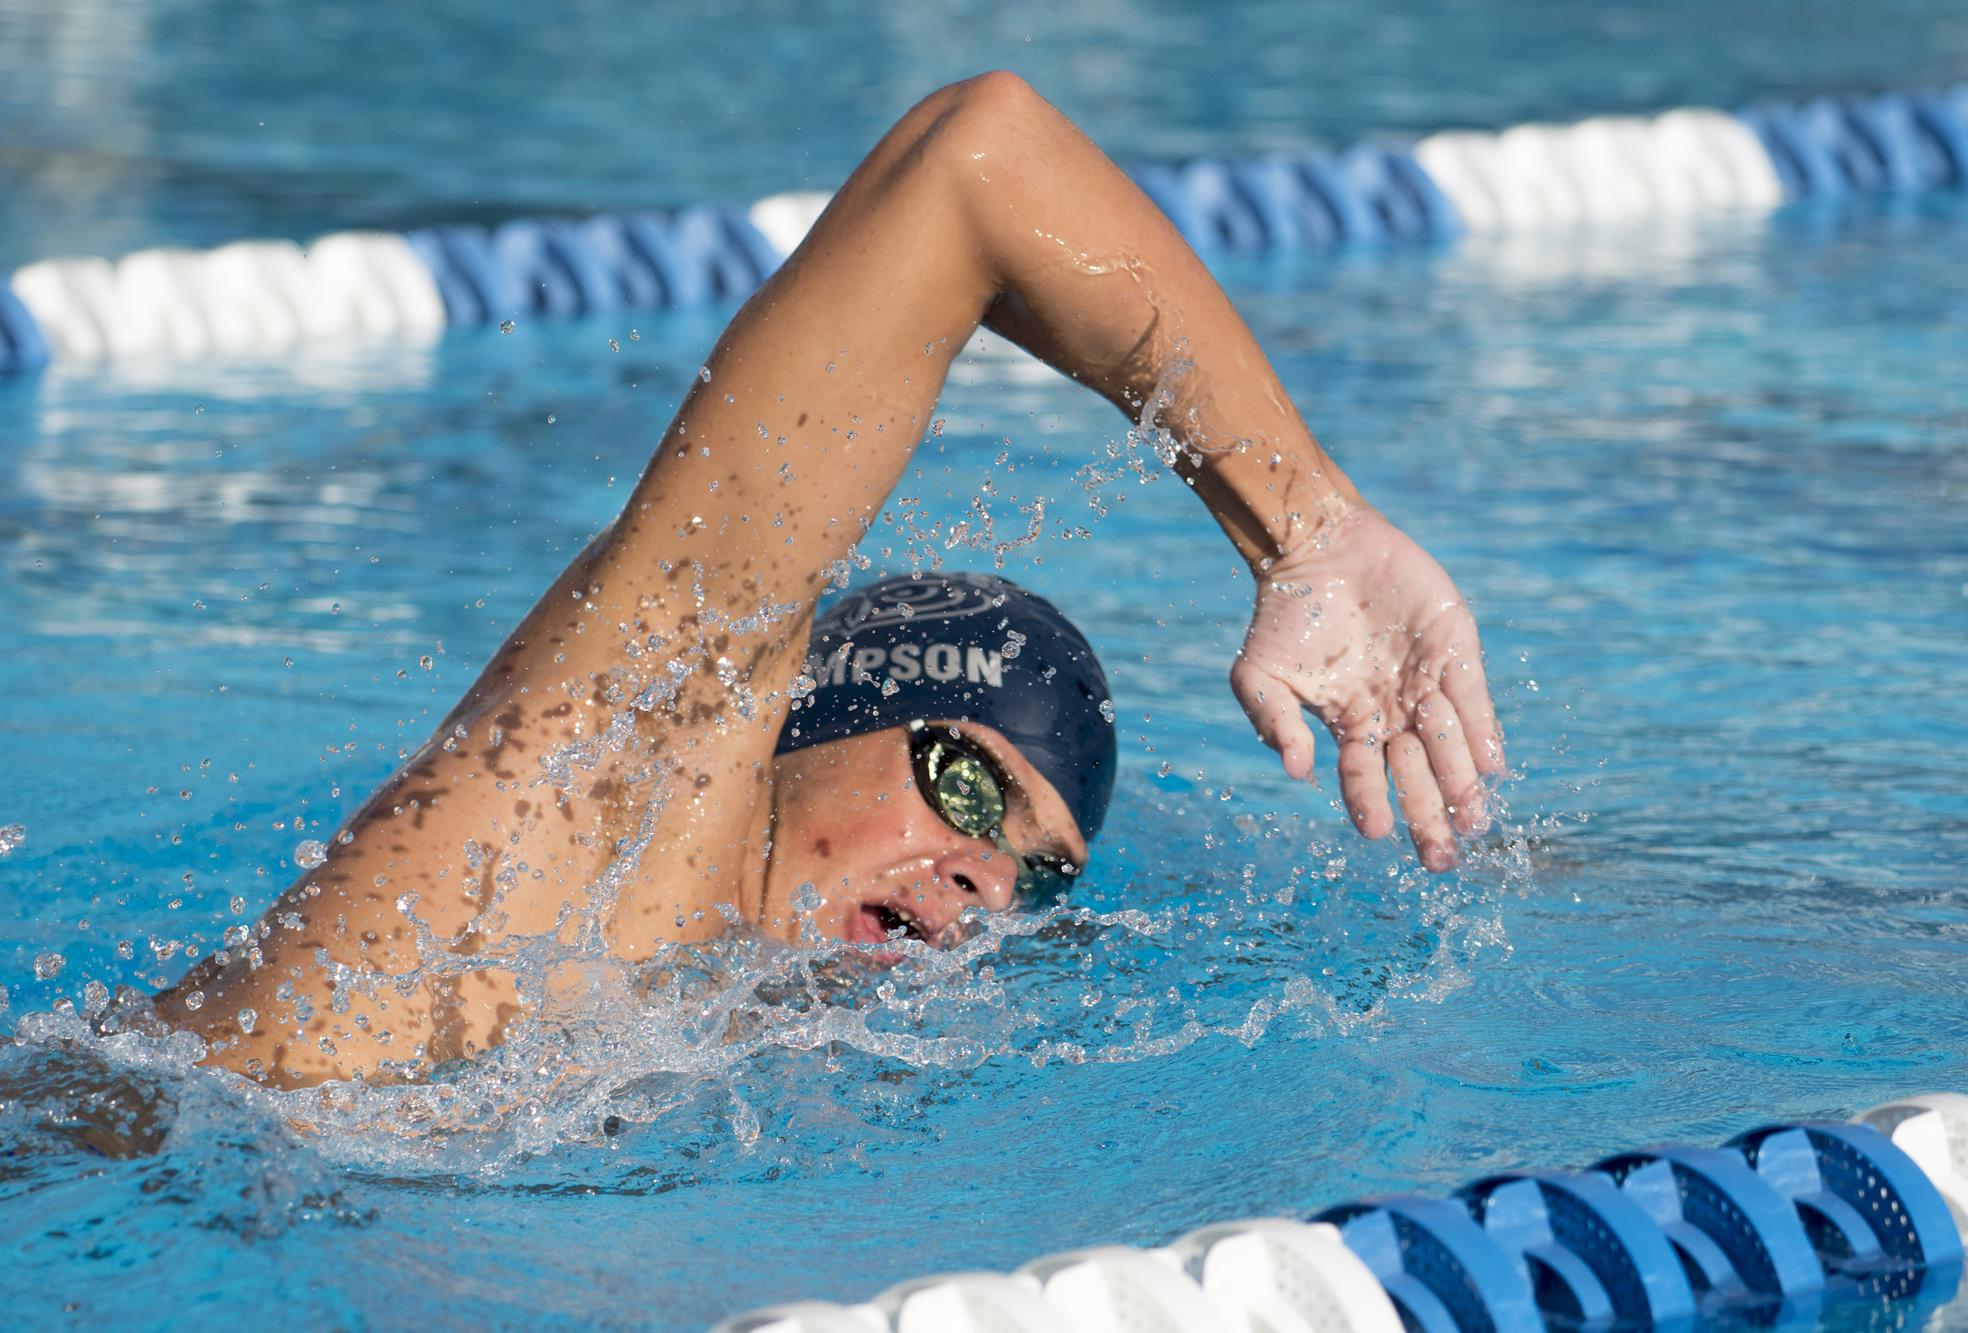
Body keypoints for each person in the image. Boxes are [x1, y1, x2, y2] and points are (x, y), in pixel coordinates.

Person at [153, 71, 1504, 1089]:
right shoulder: (617, 777)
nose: (981, 883)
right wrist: (1305, 528)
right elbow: (977, 162)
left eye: (1036, 879)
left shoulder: (712, 1039)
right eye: (969, 785)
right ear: (823, 710)